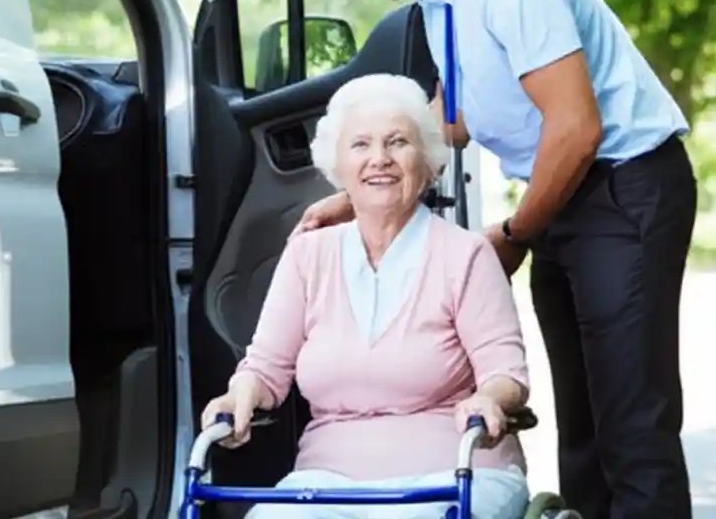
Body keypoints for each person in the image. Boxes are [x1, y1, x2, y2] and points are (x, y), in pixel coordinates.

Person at [294, 0, 698, 519]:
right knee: (583, 436)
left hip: (624, 188)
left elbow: (575, 126)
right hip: (566, 194)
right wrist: (362, 191)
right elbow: (453, 116)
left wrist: (515, 234)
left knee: (633, 431)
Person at [200, 73, 532, 519]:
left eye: (397, 142)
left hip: (454, 471)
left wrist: (490, 398)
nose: (380, 159)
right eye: (360, 145)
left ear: (428, 161)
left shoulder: (466, 254)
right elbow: (265, 366)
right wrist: (238, 394)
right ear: (337, 164)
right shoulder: (307, 255)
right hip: (328, 480)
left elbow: (505, 370)